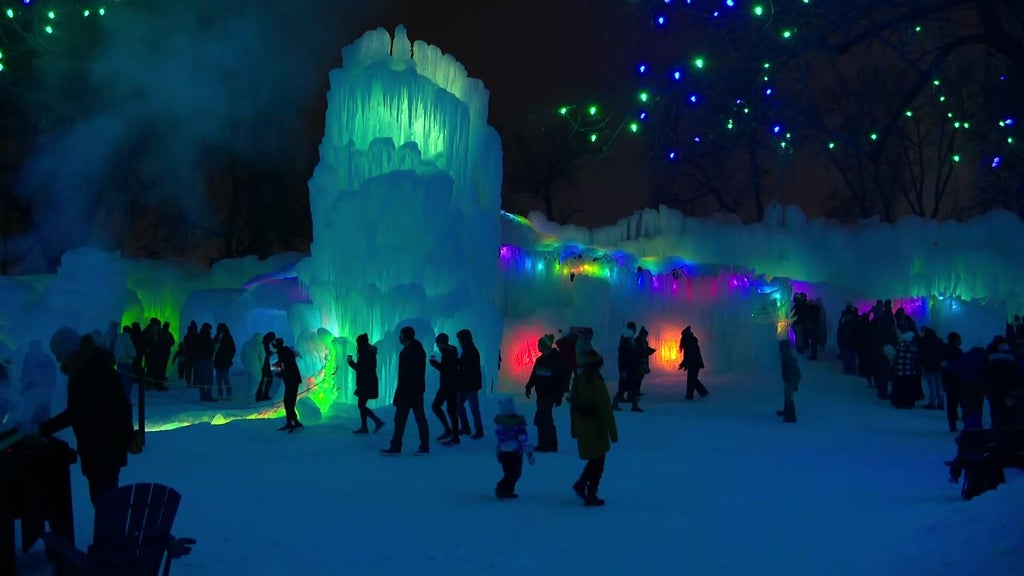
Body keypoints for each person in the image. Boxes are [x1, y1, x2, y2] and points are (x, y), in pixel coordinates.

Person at [38, 328, 134, 505]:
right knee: (101, 501)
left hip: (106, 450)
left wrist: (128, 438)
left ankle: (109, 533)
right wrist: (45, 427)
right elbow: (74, 411)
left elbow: (122, 407)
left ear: (71, 351)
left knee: (106, 503)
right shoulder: (78, 372)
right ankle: (107, 531)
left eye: (60, 354)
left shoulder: (99, 371)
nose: (58, 360)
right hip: (92, 450)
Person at [569, 329, 617, 507]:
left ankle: (582, 484)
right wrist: (613, 432)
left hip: (583, 425)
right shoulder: (596, 381)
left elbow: (573, 404)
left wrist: (574, 428)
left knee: (594, 458)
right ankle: (590, 492)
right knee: (599, 460)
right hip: (596, 426)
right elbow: (605, 407)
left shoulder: (579, 380)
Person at [382, 326, 430, 455]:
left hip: (408, 391)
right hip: (416, 390)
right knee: (417, 418)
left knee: (401, 419)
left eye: (401, 335)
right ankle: (423, 446)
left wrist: (399, 393)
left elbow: (405, 375)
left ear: (405, 336)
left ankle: (397, 446)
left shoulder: (408, 352)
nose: (399, 337)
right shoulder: (418, 350)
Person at [524, 334, 567, 452]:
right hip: (541, 394)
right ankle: (548, 444)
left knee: (544, 418)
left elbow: (560, 379)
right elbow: (535, 375)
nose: (538, 347)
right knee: (543, 418)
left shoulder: (555, 360)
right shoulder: (540, 360)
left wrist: (559, 395)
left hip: (550, 394)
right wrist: (529, 386)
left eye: (540, 345)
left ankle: (547, 445)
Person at [493, 396, 534, 500]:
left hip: (503, 454)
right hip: (514, 454)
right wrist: (529, 453)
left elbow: (499, 442)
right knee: (515, 473)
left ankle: (506, 490)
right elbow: (524, 440)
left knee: (508, 473)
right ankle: (503, 488)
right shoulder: (518, 425)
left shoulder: (500, 426)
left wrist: (498, 453)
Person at [348, 333, 385, 434]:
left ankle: (375, 422)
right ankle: (367, 426)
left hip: (366, 383)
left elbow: (361, 370)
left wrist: (351, 363)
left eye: (358, 343)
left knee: (361, 405)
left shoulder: (365, 354)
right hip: (369, 382)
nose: (357, 345)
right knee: (361, 404)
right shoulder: (369, 353)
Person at [428, 333, 461, 445]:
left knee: (451, 411)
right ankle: (449, 431)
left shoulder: (449, 354)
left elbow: (446, 370)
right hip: (446, 386)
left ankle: (455, 436)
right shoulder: (450, 352)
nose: (437, 346)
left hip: (450, 386)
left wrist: (434, 363)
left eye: (438, 344)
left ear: (442, 343)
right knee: (437, 407)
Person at [455, 329, 485, 439]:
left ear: (464, 340)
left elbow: (466, 366)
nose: (459, 342)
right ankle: (466, 427)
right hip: (466, 384)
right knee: (459, 404)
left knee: (473, 408)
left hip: (470, 385)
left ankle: (478, 430)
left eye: (460, 340)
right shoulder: (468, 350)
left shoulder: (470, 351)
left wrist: (455, 360)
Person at [272, 338, 303, 432]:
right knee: (289, 402)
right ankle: (293, 422)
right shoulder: (286, 351)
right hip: (294, 379)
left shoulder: (282, 353)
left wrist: (280, 374)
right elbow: (288, 362)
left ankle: (293, 423)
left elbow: (286, 367)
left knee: (288, 402)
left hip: (291, 380)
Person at [679, 326, 709, 400]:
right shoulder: (690, 342)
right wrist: (683, 364)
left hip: (694, 364)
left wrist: (685, 363)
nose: (682, 337)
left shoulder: (690, 342)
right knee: (692, 380)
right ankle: (691, 396)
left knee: (692, 380)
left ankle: (702, 393)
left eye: (683, 335)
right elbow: (688, 356)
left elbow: (690, 355)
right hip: (694, 364)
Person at [776, 340, 801, 423]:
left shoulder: (787, 357)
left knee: (788, 395)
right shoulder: (786, 356)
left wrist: (793, 382)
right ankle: (786, 411)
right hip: (792, 378)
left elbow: (792, 370)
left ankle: (791, 416)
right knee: (786, 394)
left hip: (792, 378)